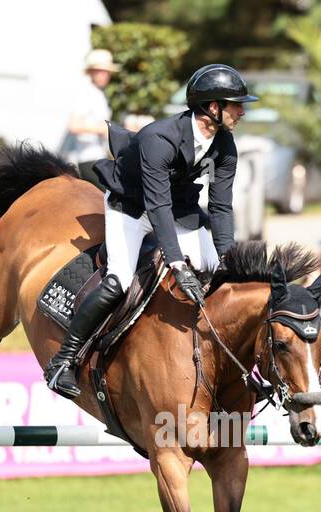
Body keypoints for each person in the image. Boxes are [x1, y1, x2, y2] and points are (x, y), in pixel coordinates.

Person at [43, 63, 258, 398]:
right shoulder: (159, 139)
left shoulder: (224, 145)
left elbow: (220, 207)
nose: (243, 111)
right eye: (237, 104)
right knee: (119, 281)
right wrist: (177, 263)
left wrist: (228, 258)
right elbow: (156, 207)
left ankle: (240, 371)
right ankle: (64, 360)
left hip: (178, 209)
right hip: (130, 208)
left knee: (222, 278)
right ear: (213, 107)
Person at [66, 49, 118, 188]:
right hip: (88, 159)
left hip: (98, 157)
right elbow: (73, 125)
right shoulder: (87, 94)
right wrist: (101, 129)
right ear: (91, 72)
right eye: (100, 71)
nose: (105, 75)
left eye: (106, 71)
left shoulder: (97, 94)